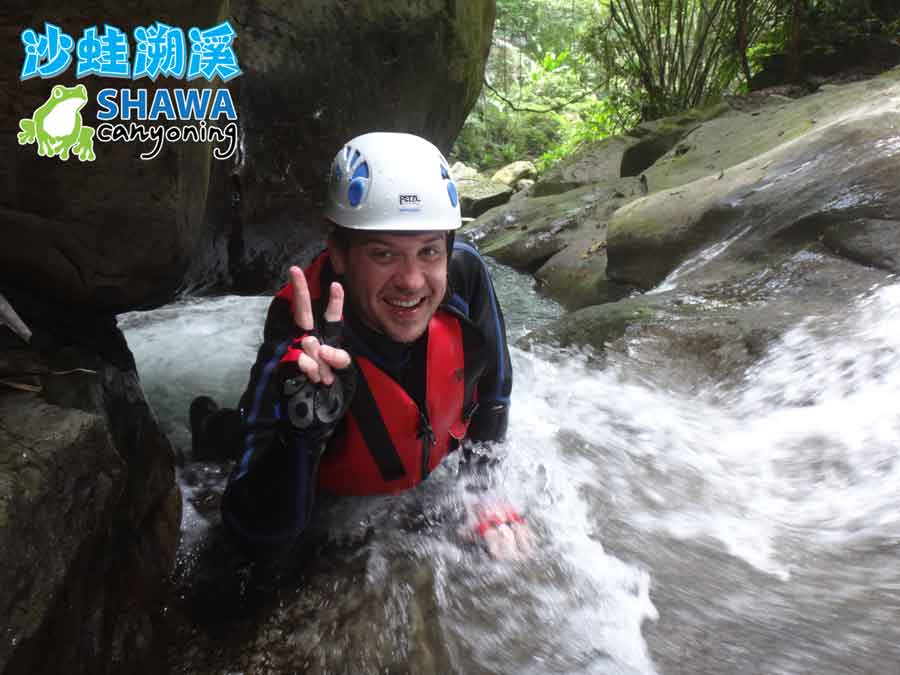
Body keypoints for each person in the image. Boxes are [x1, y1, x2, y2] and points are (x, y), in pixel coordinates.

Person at [193, 132, 532, 559]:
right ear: (339, 253)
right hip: (328, 475)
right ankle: (206, 422)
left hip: (408, 457)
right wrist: (299, 438)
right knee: (230, 435)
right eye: (383, 254)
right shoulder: (303, 330)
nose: (411, 281)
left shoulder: (464, 274)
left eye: (429, 251)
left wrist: (482, 490)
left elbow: (494, 390)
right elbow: (251, 530)